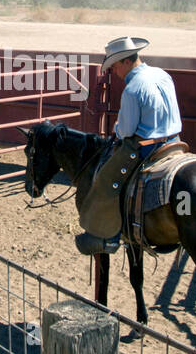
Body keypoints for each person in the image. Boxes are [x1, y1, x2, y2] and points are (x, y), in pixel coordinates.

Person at [75, 37, 182, 255]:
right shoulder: (162, 74)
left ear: (125, 61)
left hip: (146, 146)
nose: (114, 72)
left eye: (114, 66)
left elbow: (126, 131)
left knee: (106, 180)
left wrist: (117, 126)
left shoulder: (133, 88)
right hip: (174, 141)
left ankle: (110, 237)